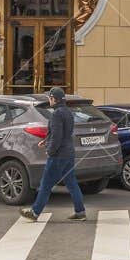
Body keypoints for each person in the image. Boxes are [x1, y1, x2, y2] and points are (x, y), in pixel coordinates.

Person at [21, 86, 88, 222]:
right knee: (71, 183)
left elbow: (57, 136)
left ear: (54, 99)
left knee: (45, 184)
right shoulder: (68, 112)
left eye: (49, 98)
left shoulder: (57, 114)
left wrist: (50, 150)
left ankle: (34, 212)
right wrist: (46, 141)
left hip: (58, 155)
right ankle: (80, 212)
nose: (49, 100)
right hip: (69, 153)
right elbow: (62, 133)